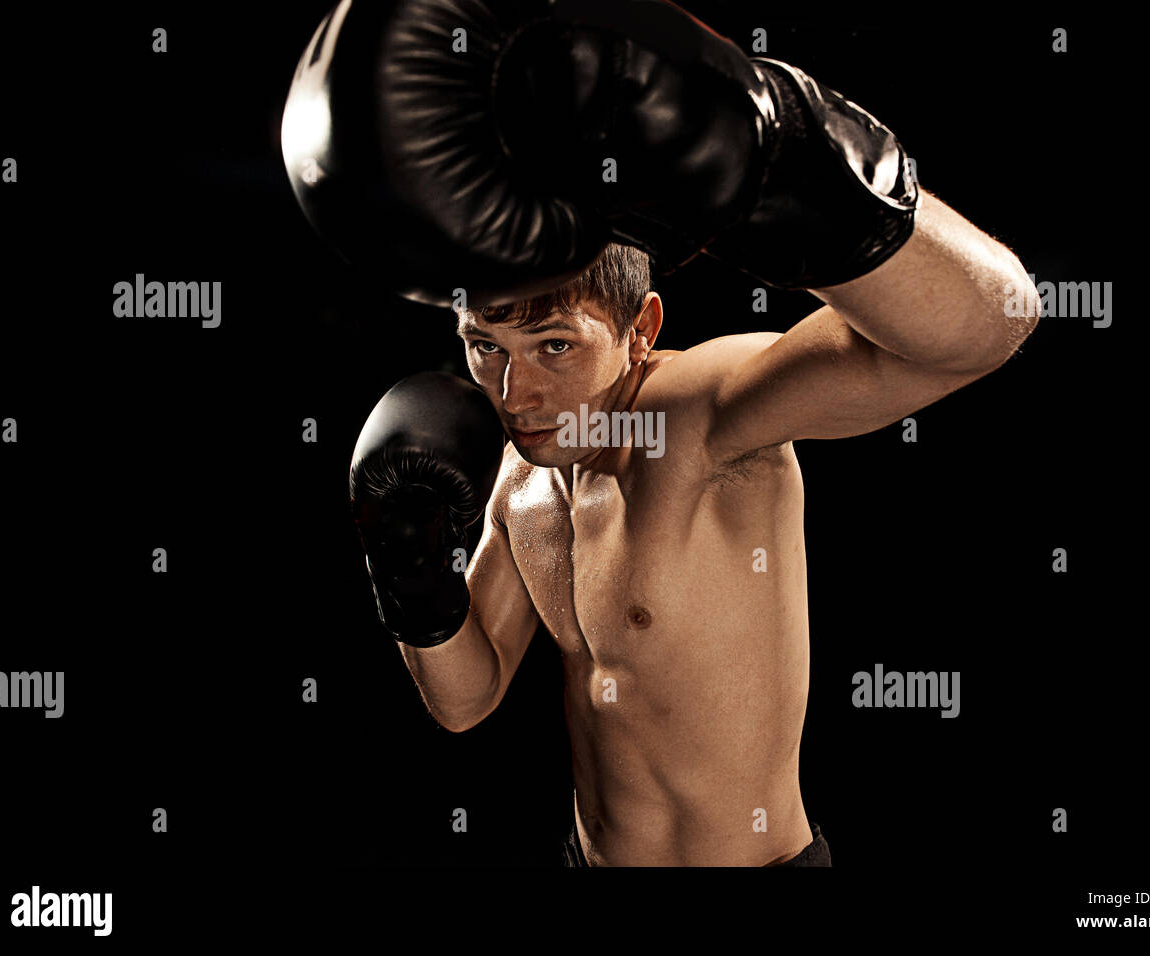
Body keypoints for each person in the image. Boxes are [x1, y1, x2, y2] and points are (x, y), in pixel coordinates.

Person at [296, 0, 1041, 865]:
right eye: (483, 348)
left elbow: (995, 321)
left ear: (641, 329)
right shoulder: (519, 482)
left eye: (554, 345)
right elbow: (467, 698)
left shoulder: (698, 416)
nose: (516, 391)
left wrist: (785, 153)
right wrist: (407, 569)